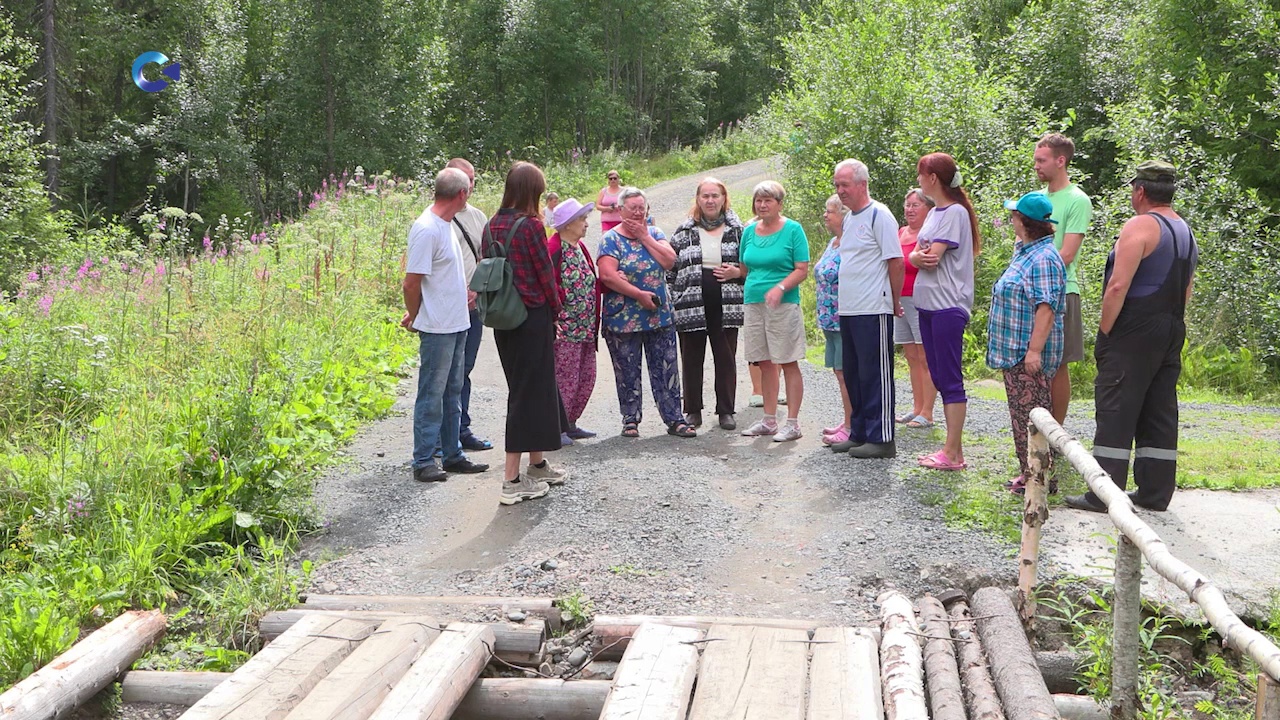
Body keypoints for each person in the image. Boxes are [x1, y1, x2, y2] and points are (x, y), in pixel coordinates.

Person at [1065, 161, 1197, 513]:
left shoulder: (1139, 225)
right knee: (1159, 408)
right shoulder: (1185, 229)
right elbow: (1187, 287)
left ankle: (1103, 492)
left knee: (1116, 406)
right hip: (1171, 325)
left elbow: (1118, 285)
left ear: (1140, 191)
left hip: (1134, 328)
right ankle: (1155, 492)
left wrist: (1105, 331)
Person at [484, 161, 569, 505]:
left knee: (531, 390)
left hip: (503, 318)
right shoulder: (531, 226)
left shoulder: (491, 224)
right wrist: (557, 310)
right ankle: (511, 480)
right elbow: (545, 273)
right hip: (531, 317)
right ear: (533, 191)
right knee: (525, 395)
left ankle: (537, 464)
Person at [402, 168, 490, 482]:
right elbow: (411, 283)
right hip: (438, 327)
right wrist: (416, 315)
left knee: (453, 391)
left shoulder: (445, 224)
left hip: (456, 322)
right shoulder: (427, 228)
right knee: (432, 393)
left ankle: (453, 454)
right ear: (461, 194)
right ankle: (424, 461)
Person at [597, 187, 694, 438]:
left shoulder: (656, 233)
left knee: (666, 368)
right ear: (621, 211)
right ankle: (630, 420)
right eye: (633, 208)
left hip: (659, 316)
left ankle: (674, 419)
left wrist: (645, 237)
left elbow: (670, 261)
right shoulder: (610, 239)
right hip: (623, 317)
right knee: (627, 371)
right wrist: (638, 294)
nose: (638, 213)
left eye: (642, 208)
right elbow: (607, 275)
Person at [988, 192, 1066, 493]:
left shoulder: (1043, 258)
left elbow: (1046, 308)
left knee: (1033, 419)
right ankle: (1029, 475)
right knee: (1022, 419)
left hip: (1027, 355)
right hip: (1015, 354)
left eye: (1014, 216)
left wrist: (1034, 351)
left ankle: (1041, 482)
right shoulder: (1027, 251)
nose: (1011, 220)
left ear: (1024, 221)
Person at [828, 160, 904, 459]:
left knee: (875, 374)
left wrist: (894, 300)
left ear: (862, 184)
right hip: (849, 309)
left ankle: (882, 438)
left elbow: (895, 260)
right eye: (837, 185)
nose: (840, 190)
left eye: (845, 184)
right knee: (855, 373)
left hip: (873, 307)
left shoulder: (879, 215)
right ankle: (858, 432)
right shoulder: (849, 219)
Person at [911, 152, 980, 471]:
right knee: (938, 375)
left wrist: (918, 257)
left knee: (950, 378)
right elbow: (915, 254)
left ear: (932, 178)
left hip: (947, 305)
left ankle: (952, 454)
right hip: (928, 304)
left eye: (920, 174)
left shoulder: (954, 212)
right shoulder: (935, 213)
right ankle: (953, 450)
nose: (918, 180)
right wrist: (916, 257)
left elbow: (930, 257)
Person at [668, 178, 746, 431]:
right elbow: (670, 268)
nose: (710, 201)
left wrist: (738, 272)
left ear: (724, 199)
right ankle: (692, 411)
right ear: (698, 199)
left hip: (727, 303)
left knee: (725, 358)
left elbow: (752, 266)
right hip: (690, 303)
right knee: (691, 358)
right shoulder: (684, 231)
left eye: (715, 196)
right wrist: (673, 298)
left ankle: (726, 411)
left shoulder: (738, 230)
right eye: (705, 196)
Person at [738, 180, 810, 442]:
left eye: (768, 200)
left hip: (784, 303)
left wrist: (780, 288)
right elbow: (745, 268)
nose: (762, 205)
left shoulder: (793, 230)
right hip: (754, 302)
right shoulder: (749, 231)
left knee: (787, 360)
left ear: (780, 204)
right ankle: (769, 420)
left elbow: (802, 269)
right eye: (758, 200)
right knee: (764, 362)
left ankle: (792, 423)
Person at [1034, 134, 1093, 424]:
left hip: (1062, 290)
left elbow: (1067, 253)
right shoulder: (1037, 199)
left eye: (1041, 160)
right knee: (1032, 361)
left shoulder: (1077, 200)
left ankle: (1055, 432)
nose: (1036, 166)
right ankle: (1034, 429)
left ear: (1061, 161)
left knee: (1058, 364)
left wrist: (1034, 270)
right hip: (1031, 291)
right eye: (1035, 160)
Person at [444, 158, 494, 453]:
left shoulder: (478, 217)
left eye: (473, 179)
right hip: (446, 310)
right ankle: (442, 438)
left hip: (473, 308)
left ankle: (461, 430)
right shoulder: (437, 218)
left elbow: (486, 259)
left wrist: (477, 289)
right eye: (465, 179)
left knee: (464, 370)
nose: (470, 185)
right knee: (444, 375)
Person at [549, 198, 600, 443]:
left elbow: (590, 281)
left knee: (586, 377)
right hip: (566, 330)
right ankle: (555, 427)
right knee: (565, 379)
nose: (586, 224)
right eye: (582, 219)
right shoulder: (554, 248)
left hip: (586, 328)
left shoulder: (580, 247)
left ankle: (570, 422)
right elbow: (549, 285)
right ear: (568, 224)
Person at [813, 194, 854, 445]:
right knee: (839, 373)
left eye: (830, 211)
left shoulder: (851, 244)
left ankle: (851, 425)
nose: (825, 215)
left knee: (846, 373)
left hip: (844, 320)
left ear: (844, 215)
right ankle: (848, 419)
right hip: (829, 320)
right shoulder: (834, 242)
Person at [896, 188, 938, 430]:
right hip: (899, 298)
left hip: (920, 298)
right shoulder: (900, 232)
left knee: (925, 356)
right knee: (911, 356)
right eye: (907, 205)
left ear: (928, 209)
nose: (910, 210)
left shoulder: (929, 234)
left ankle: (928, 412)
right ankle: (916, 407)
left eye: (915, 205)